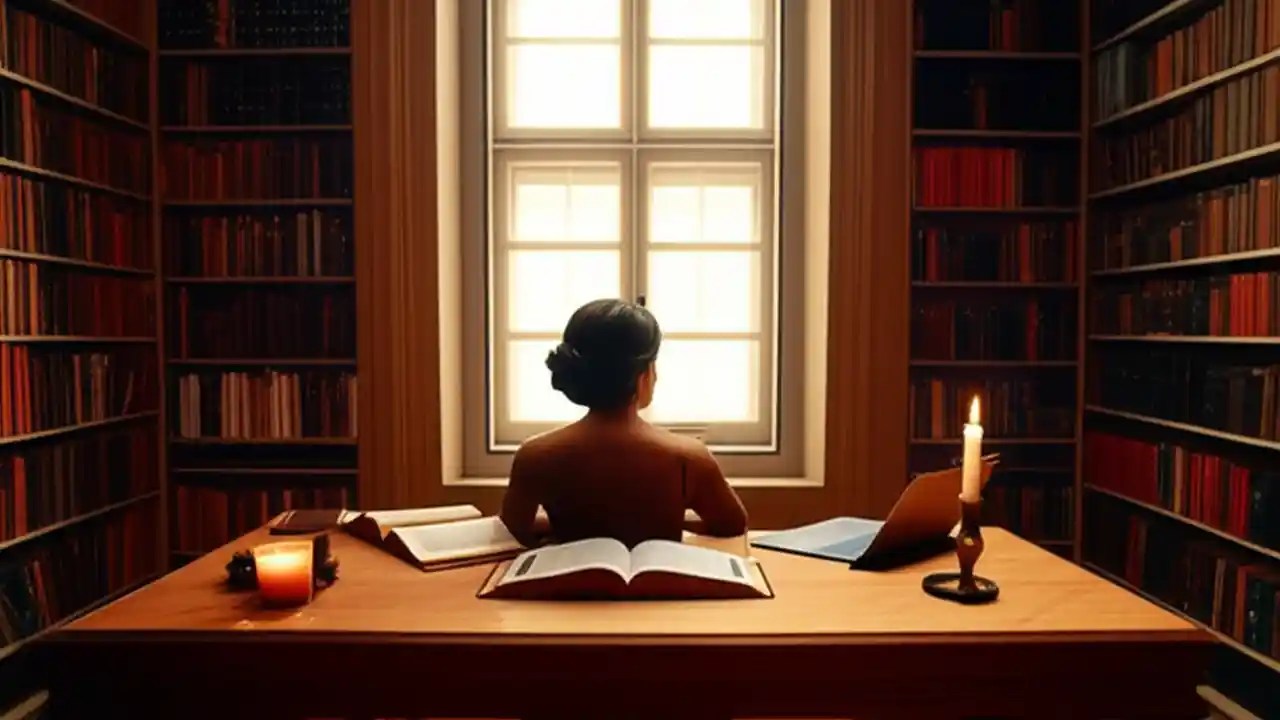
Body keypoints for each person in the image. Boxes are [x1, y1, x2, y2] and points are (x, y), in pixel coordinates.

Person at [499, 298, 748, 548]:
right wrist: (666, 520)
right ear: (644, 376)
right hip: (662, 585)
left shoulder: (535, 455)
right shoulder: (688, 457)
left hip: (568, 585)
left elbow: (512, 532)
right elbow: (731, 524)